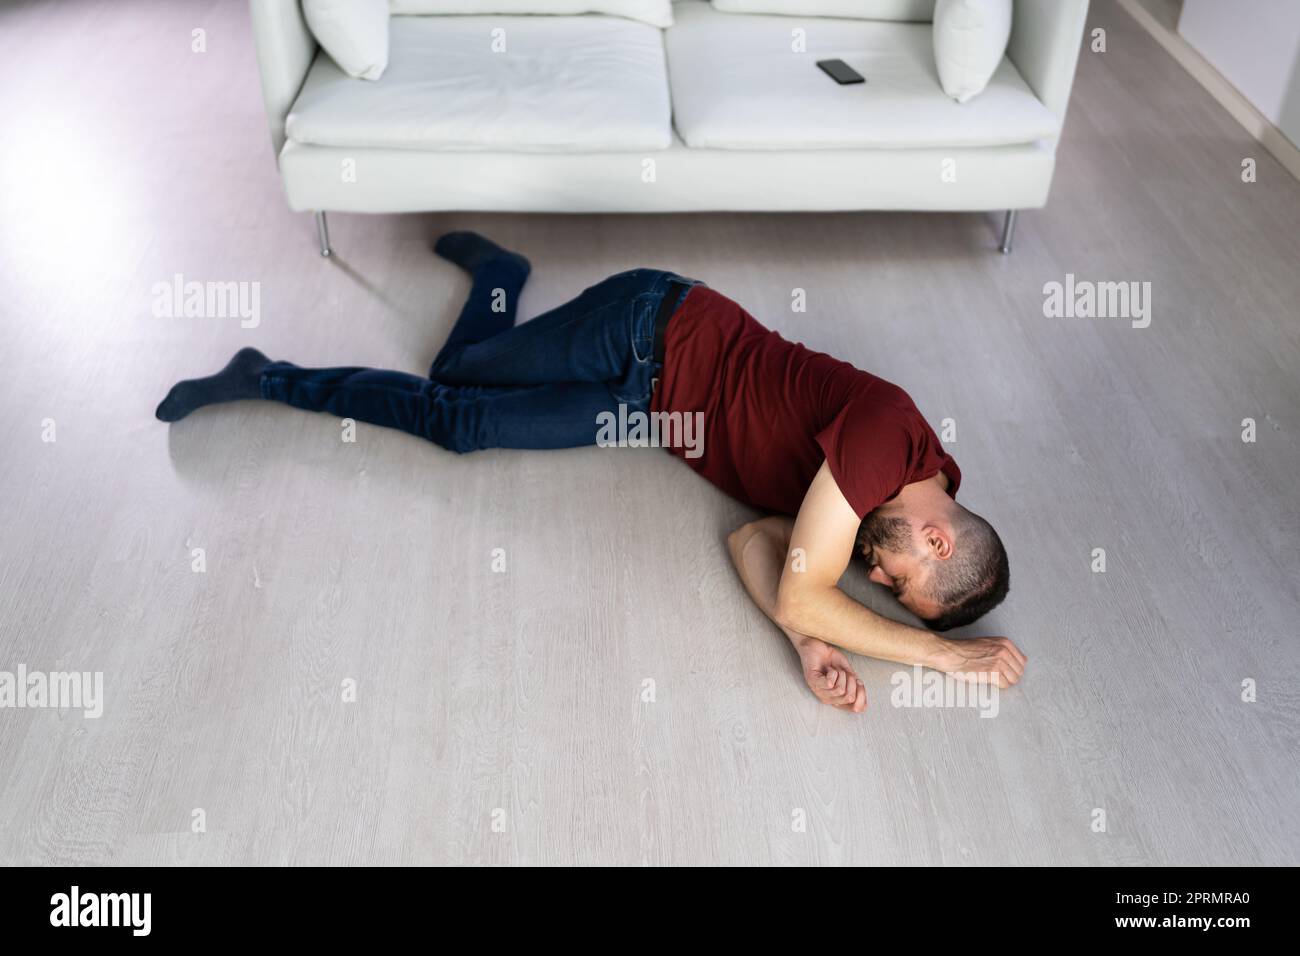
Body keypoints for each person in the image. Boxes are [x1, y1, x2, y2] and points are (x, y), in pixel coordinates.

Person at [157, 232, 1025, 712]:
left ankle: (262, 375)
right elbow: (808, 582)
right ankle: (499, 279)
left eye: (882, 586)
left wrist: (806, 640)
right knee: (458, 374)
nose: (871, 575)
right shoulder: (883, 440)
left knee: (457, 424)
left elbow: (756, 540)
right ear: (939, 534)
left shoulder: (897, 502)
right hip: (648, 325)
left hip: (650, 412)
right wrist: (937, 661)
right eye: (896, 575)